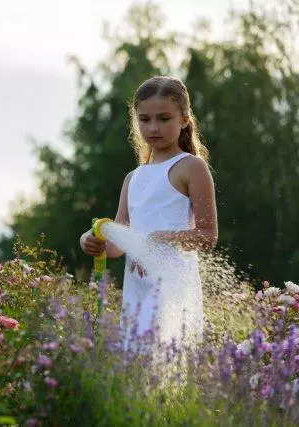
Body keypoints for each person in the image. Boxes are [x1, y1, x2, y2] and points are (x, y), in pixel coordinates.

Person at [79, 76, 218, 348]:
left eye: (164, 118)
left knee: (173, 364)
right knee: (137, 367)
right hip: (137, 287)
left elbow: (207, 236)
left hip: (173, 285)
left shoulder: (191, 167)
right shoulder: (133, 178)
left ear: (184, 119)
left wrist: (157, 239)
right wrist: (92, 241)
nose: (154, 127)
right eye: (145, 119)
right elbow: (118, 246)